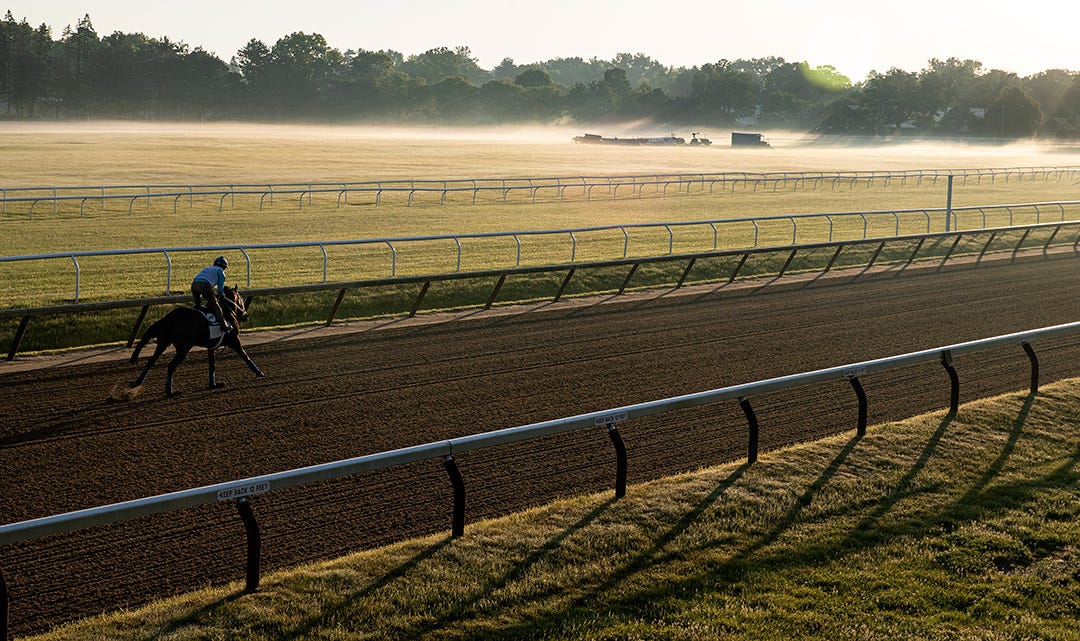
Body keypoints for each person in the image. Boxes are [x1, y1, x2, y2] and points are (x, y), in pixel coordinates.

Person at [192, 256, 230, 331]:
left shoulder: (208, 268)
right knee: (216, 305)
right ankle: (224, 325)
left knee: (198, 306)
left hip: (194, 284)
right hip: (204, 285)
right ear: (223, 267)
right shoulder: (221, 272)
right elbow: (220, 288)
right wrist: (221, 294)